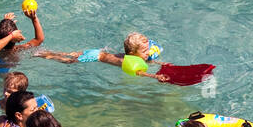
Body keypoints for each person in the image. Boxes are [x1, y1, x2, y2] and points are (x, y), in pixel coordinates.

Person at [37, 31, 167, 81]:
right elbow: (139, 72)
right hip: (94, 57)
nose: (148, 54)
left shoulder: (131, 56)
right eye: (144, 52)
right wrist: (154, 76)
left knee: (71, 55)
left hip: (97, 52)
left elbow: (146, 62)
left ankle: (46, 51)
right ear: (133, 54)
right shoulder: (127, 62)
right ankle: (45, 55)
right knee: (68, 61)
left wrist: (160, 64)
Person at [0, 3, 45, 73]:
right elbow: (39, 39)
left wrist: (5, 22)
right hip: (8, 69)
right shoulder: (18, 50)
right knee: (42, 53)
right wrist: (34, 19)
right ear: (17, 40)